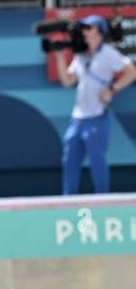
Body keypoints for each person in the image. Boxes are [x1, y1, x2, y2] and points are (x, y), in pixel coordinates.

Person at [52, 16, 136, 195]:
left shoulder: (108, 53)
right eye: (83, 28)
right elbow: (68, 81)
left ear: (100, 32)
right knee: (70, 160)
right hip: (78, 118)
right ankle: (68, 201)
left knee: (97, 161)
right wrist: (59, 56)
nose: (84, 32)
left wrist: (113, 88)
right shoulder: (80, 55)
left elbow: (131, 72)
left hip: (98, 116)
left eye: (89, 28)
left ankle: (102, 200)